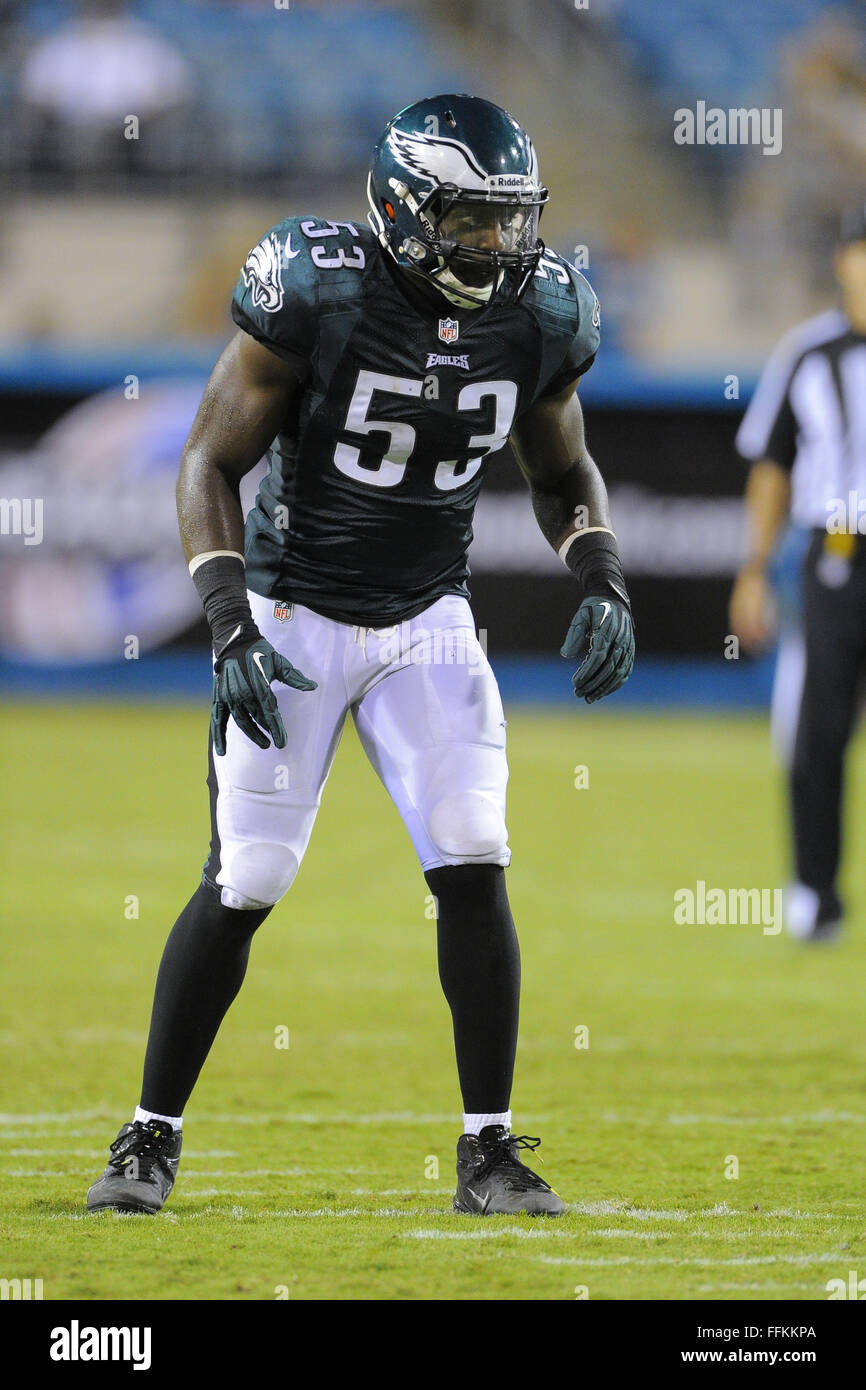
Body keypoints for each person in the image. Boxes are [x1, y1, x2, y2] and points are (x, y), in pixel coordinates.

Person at [86, 94, 634, 1218]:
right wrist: (228, 618)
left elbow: (560, 470)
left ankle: (488, 1153)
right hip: (294, 615)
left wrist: (601, 573)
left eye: (507, 219)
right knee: (248, 878)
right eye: (468, 219)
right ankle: (148, 1136)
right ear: (400, 209)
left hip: (426, 616)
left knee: (473, 849)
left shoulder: (539, 314)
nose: (495, 245)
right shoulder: (317, 283)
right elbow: (205, 462)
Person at [730, 201, 866, 943]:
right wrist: (754, 568)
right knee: (818, 728)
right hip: (839, 551)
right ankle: (816, 892)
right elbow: (773, 467)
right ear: (842, 261)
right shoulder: (808, 352)